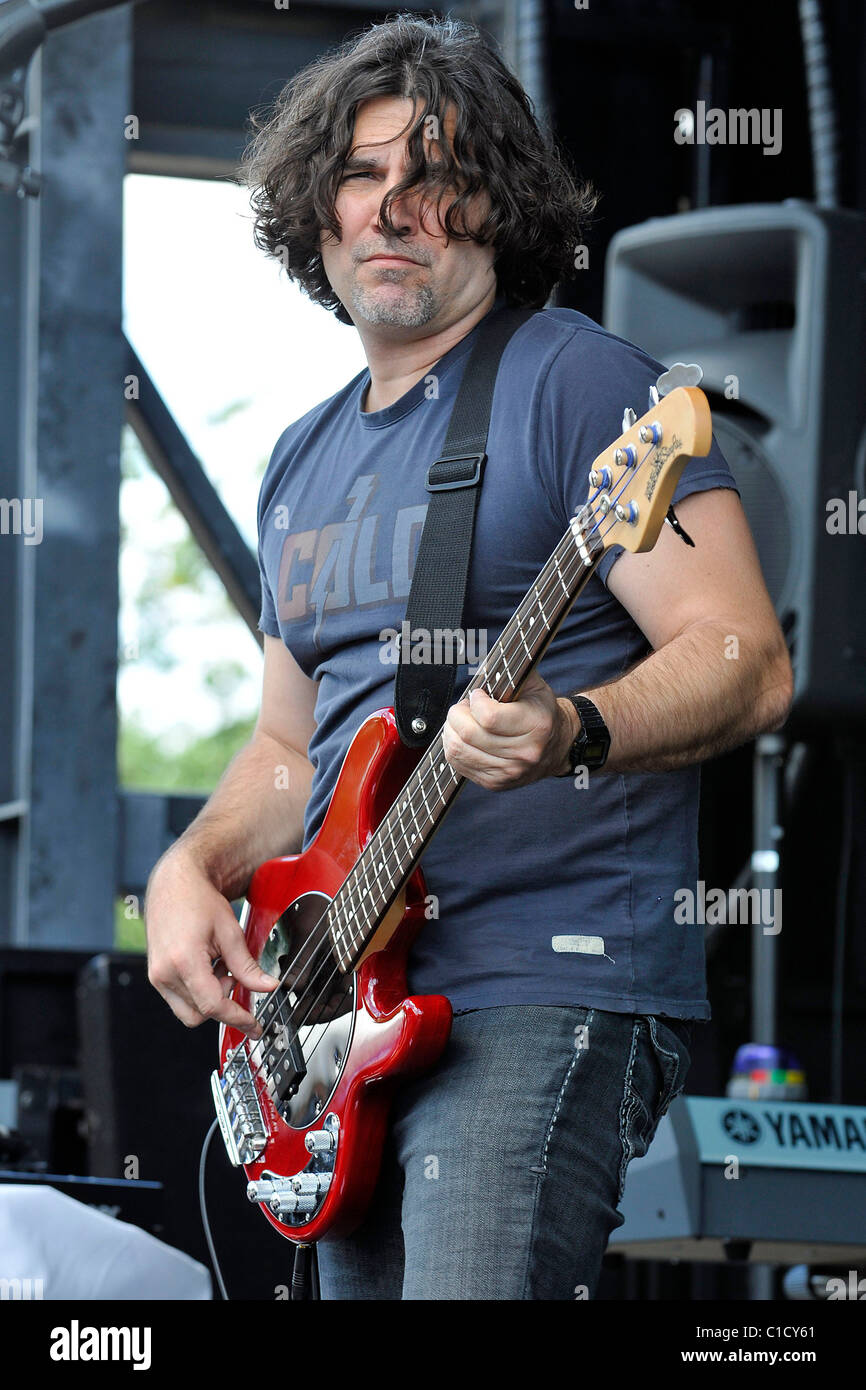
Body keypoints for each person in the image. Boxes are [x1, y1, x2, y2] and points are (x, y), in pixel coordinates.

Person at [144, 14, 793, 1300]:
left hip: (538, 980)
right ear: (312, 211)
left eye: (436, 176)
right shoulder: (300, 454)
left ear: (495, 208)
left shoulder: (581, 384)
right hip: (338, 1013)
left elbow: (743, 655)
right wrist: (188, 867)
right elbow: (290, 745)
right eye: (362, 175)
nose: (395, 209)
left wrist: (577, 728)